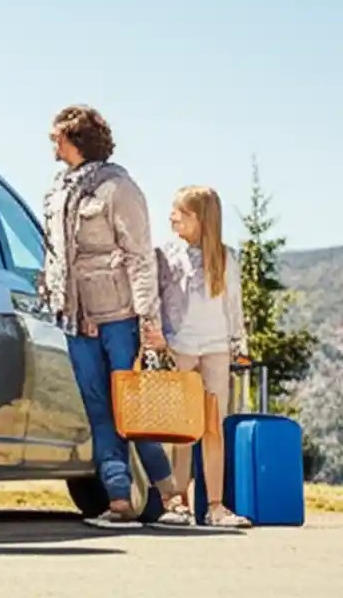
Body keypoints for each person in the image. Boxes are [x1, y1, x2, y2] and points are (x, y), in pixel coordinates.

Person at [39, 104, 185, 528]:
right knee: (99, 409)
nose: (53, 143)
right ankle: (118, 501)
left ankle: (172, 497)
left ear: (76, 139)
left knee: (132, 409)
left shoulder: (118, 187)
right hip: (75, 317)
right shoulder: (60, 190)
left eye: (58, 136)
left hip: (119, 315)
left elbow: (140, 257)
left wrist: (148, 319)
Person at [156, 186, 253, 528]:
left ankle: (215, 505)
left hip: (215, 348)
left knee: (213, 428)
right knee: (180, 431)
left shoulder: (226, 258)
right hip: (179, 346)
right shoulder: (165, 255)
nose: (171, 217)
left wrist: (239, 346)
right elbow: (157, 299)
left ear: (200, 219)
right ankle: (178, 502)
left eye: (179, 211)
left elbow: (234, 307)